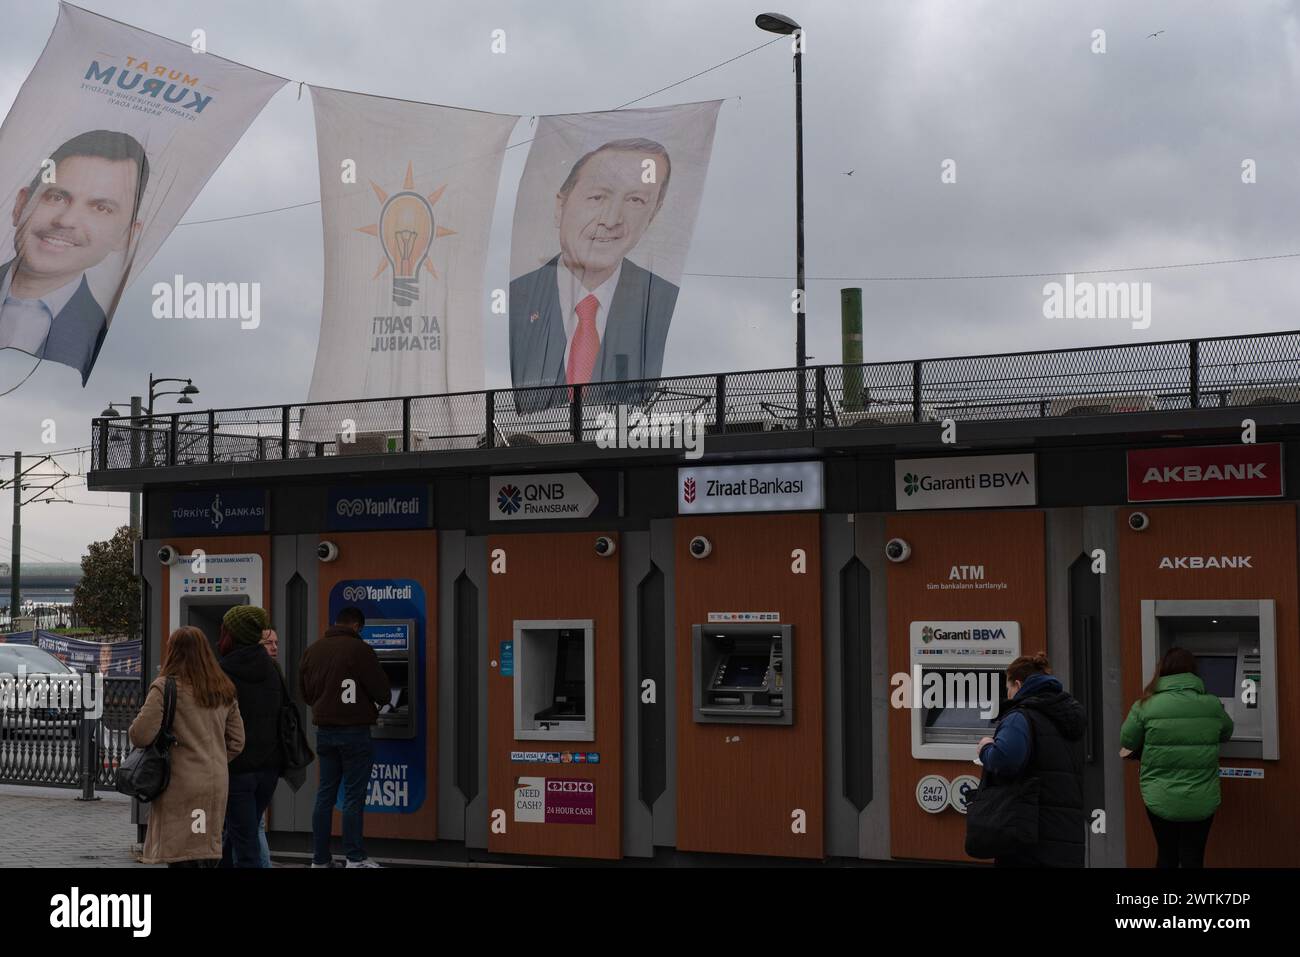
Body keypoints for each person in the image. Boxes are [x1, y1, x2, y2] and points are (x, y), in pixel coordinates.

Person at [509, 137, 679, 412]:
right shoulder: (519, 295)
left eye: (635, 200)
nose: (611, 220)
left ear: (653, 215)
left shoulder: (662, 299)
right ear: (560, 206)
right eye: (597, 197)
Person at [0, 130, 149, 384]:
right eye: (56, 197)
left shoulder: (102, 334)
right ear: (20, 205)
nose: (66, 221)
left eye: (101, 208)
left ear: (127, 236)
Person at [128, 626, 244, 867]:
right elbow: (237, 741)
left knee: (184, 856)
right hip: (215, 783)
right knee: (205, 850)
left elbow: (140, 735)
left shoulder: (165, 687)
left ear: (173, 652)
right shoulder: (224, 689)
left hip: (181, 785)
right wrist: (215, 760)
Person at [1121, 647, 1234, 868]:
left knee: (1167, 854)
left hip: (1159, 795)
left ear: (1162, 671)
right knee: (1194, 856)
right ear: (1194, 672)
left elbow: (1128, 740)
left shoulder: (1145, 706)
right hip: (1202, 795)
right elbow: (1227, 732)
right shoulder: (1212, 704)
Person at [299, 605, 390, 868]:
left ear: (336, 623)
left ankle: (319, 860)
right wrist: (372, 704)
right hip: (354, 732)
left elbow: (305, 693)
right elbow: (383, 692)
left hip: (325, 733)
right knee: (353, 796)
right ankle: (355, 858)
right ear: (357, 626)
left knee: (324, 795)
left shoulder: (313, 650)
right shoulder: (360, 650)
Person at [975, 652, 1086, 867]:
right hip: (1065, 831)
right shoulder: (1068, 714)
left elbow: (1005, 760)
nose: (1008, 694)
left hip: (1029, 831)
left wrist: (986, 747)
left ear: (1018, 684)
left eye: (1008, 688)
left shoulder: (1021, 716)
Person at [217, 606, 284, 868]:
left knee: (245, 844)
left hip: (236, 768)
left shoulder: (222, 671)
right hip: (268, 768)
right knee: (239, 835)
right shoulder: (273, 670)